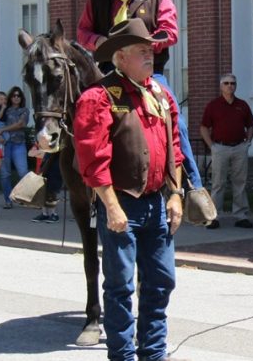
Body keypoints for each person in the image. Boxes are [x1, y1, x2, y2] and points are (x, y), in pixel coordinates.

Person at [73, 18, 184, 361]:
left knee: (161, 281)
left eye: (150, 49)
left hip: (156, 203)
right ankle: (122, 355)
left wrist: (177, 194)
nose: (149, 55)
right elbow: (93, 158)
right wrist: (111, 205)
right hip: (122, 203)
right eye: (141, 50)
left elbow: (174, 148)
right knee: (120, 285)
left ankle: (153, 353)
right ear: (120, 58)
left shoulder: (160, 95)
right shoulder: (99, 97)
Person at [77, 0, 205, 193]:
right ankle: (46, 180)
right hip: (107, 72)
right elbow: (83, 32)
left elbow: (171, 31)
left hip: (148, 71)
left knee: (176, 117)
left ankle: (194, 188)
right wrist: (99, 42)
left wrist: (144, 45)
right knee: (72, 111)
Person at [199, 73, 253, 229]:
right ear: (221, 86)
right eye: (226, 83)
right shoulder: (213, 105)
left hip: (239, 147)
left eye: (233, 83)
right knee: (218, 183)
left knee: (240, 182)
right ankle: (214, 217)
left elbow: (250, 125)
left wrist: (247, 142)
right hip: (220, 147)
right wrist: (212, 146)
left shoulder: (242, 105)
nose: (230, 86)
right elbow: (204, 127)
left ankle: (241, 216)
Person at [0, 86, 30, 208]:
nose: (16, 97)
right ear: (10, 97)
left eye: (18, 95)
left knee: (23, 172)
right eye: (14, 95)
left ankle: (24, 198)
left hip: (18, 143)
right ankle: (8, 200)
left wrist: (3, 129)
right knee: (4, 173)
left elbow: (20, 124)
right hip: (4, 144)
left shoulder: (24, 110)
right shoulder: (4, 109)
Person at [28, 144, 62, 223]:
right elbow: (31, 153)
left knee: (52, 191)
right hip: (44, 165)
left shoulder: (57, 138)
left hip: (54, 167)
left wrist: (40, 152)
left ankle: (54, 214)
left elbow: (52, 153)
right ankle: (45, 213)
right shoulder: (44, 138)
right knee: (43, 190)